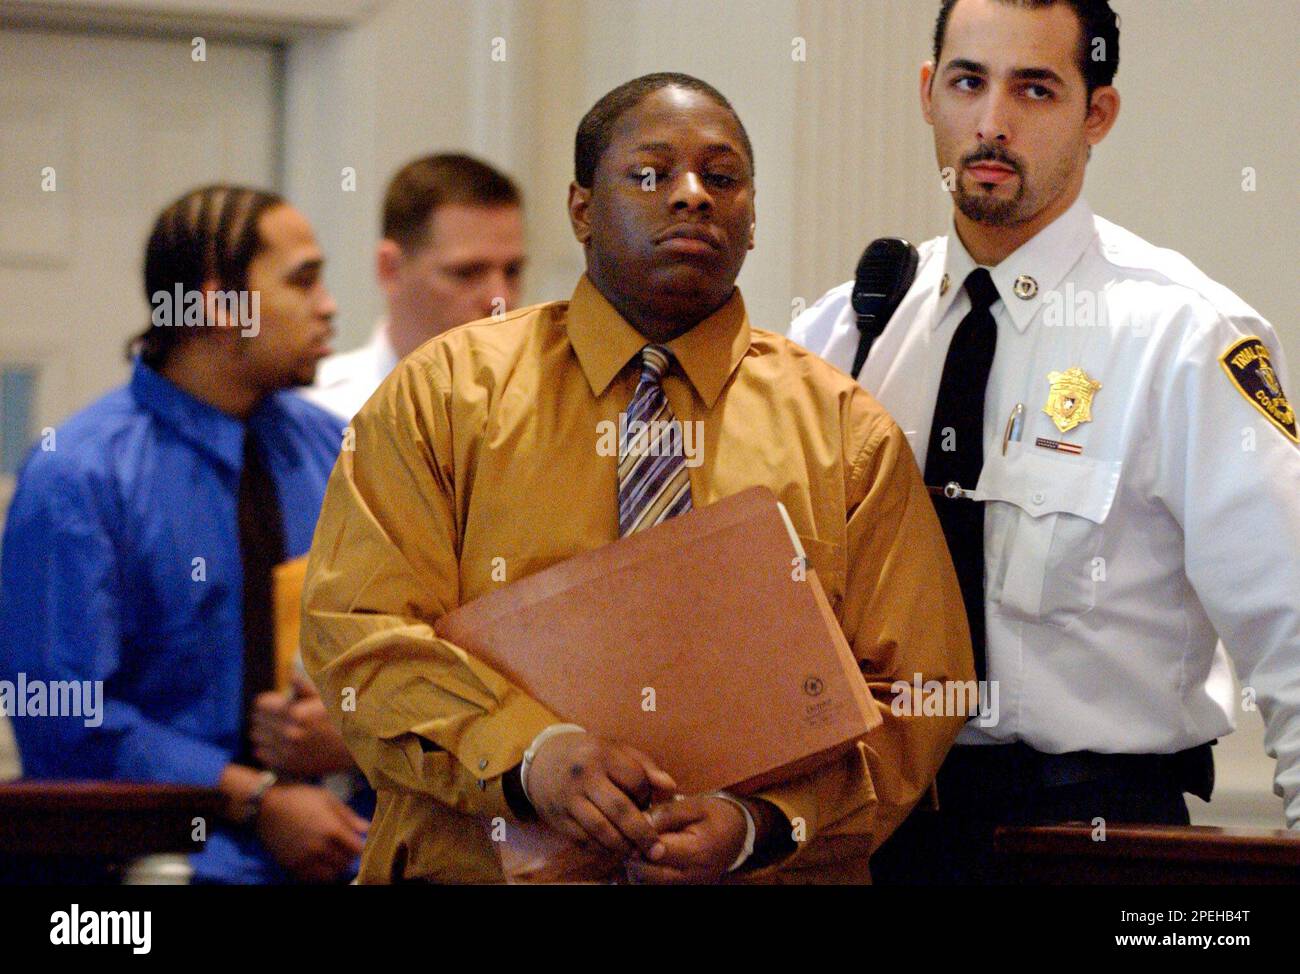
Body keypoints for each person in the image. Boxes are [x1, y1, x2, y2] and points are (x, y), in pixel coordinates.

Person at [301, 72, 973, 884]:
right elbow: (359, 633)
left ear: (752, 219)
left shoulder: (842, 430)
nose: (692, 195)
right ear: (581, 210)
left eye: (722, 177)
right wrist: (527, 756)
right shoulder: (445, 396)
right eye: (651, 174)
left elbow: (919, 692)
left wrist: (758, 823)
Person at [790, 0, 1300, 883]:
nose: (992, 123)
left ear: (1096, 113)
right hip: (876, 834)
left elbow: (1289, 625)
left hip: (1094, 837)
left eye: (1035, 89)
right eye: (967, 83)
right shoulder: (849, 331)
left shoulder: (1182, 335)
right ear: (927, 93)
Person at [0, 185, 368, 884]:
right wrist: (255, 798)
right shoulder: (78, 475)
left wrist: (353, 730)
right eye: (303, 281)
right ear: (220, 306)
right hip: (154, 869)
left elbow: (410, 641)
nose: (328, 306)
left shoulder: (337, 449)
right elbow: (63, 722)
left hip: (349, 848)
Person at [303, 153, 526, 418]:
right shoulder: (316, 414)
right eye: (466, 273)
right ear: (390, 268)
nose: (499, 299)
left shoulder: (544, 411)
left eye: (512, 271)